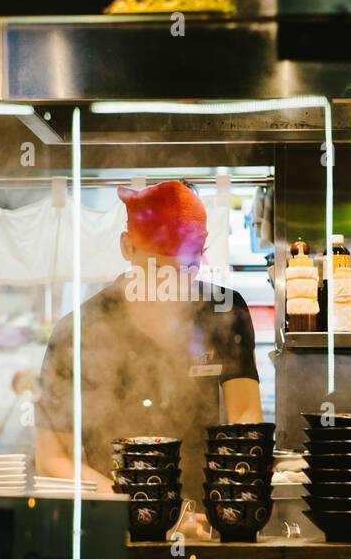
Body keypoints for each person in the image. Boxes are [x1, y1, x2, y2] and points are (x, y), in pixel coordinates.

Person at [35, 181, 263, 519]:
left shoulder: (225, 312)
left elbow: (245, 420)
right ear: (127, 248)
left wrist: (230, 502)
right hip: (112, 521)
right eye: (158, 266)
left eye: (187, 267)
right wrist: (139, 509)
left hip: (205, 519)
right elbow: (52, 456)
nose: (171, 282)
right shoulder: (78, 330)